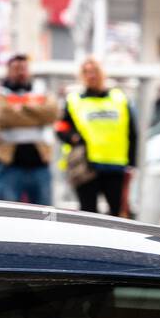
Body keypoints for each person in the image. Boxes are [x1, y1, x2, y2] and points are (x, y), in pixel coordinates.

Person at [56, 56, 138, 216]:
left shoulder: (119, 98)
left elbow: (132, 132)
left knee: (117, 215)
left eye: (94, 71)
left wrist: (132, 163)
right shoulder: (74, 100)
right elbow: (60, 127)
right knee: (88, 215)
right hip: (85, 166)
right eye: (86, 72)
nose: (91, 76)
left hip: (115, 166)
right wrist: (73, 138)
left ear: (102, 74)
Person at [0, 53, 59, 205]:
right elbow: (2, 117)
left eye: (24, 68)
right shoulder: (0, 93)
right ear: (8, 70)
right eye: (16, 68)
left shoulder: (41, 90)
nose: (21, 72)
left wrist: (20, 109)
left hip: (39, 164)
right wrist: (36, 113)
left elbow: (52, 113)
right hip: (10, 165)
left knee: (44, 216)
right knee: (8, 215)